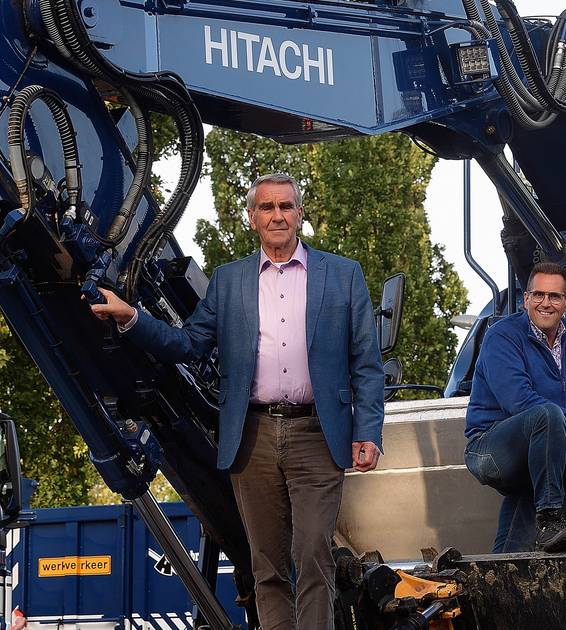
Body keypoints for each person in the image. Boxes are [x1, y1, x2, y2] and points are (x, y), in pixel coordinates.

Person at [89, 173, 384, 629]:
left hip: (318, 433)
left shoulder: (343, 275)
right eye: (267, 208)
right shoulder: (228, 281)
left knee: (312, 554)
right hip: (253, 435)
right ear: (252, 218)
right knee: (266, 564)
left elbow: (365, 361)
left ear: (300, 214)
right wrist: (133, 318)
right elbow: (188, 344)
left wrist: (368, 431)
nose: (278, 215)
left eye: (286, 206)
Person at [464, 262, 566, 553]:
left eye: (555, 296)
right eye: (538, 295)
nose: (546, 303)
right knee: (545, 414)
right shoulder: (502, 336)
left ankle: (499, 583)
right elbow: (520, 402)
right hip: (490, 450)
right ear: (526, 299)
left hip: (540, 456)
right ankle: (551, 519)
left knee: (512, 549)